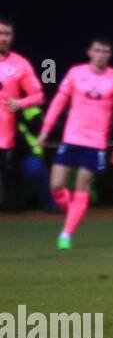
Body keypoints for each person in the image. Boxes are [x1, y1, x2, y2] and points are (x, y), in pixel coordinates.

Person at [36, 38, 113, 248]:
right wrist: (45, 131)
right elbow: (58, 102)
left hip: (96, 143)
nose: (101, 55)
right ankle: (74, 212)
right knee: (56, 184)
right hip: (71, 138)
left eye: (105, 51)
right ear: (89, 52)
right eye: (97, 50)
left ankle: (66, 234)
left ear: (110, 55)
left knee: (82, 185)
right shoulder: (75, 73)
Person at [0, 15, 46, 213]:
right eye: (0, 33)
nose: (4, 38)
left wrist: (20, 103)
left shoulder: (21, 64)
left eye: (7, 34)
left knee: (13, 202)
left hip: (9, 137)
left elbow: (39, 96)